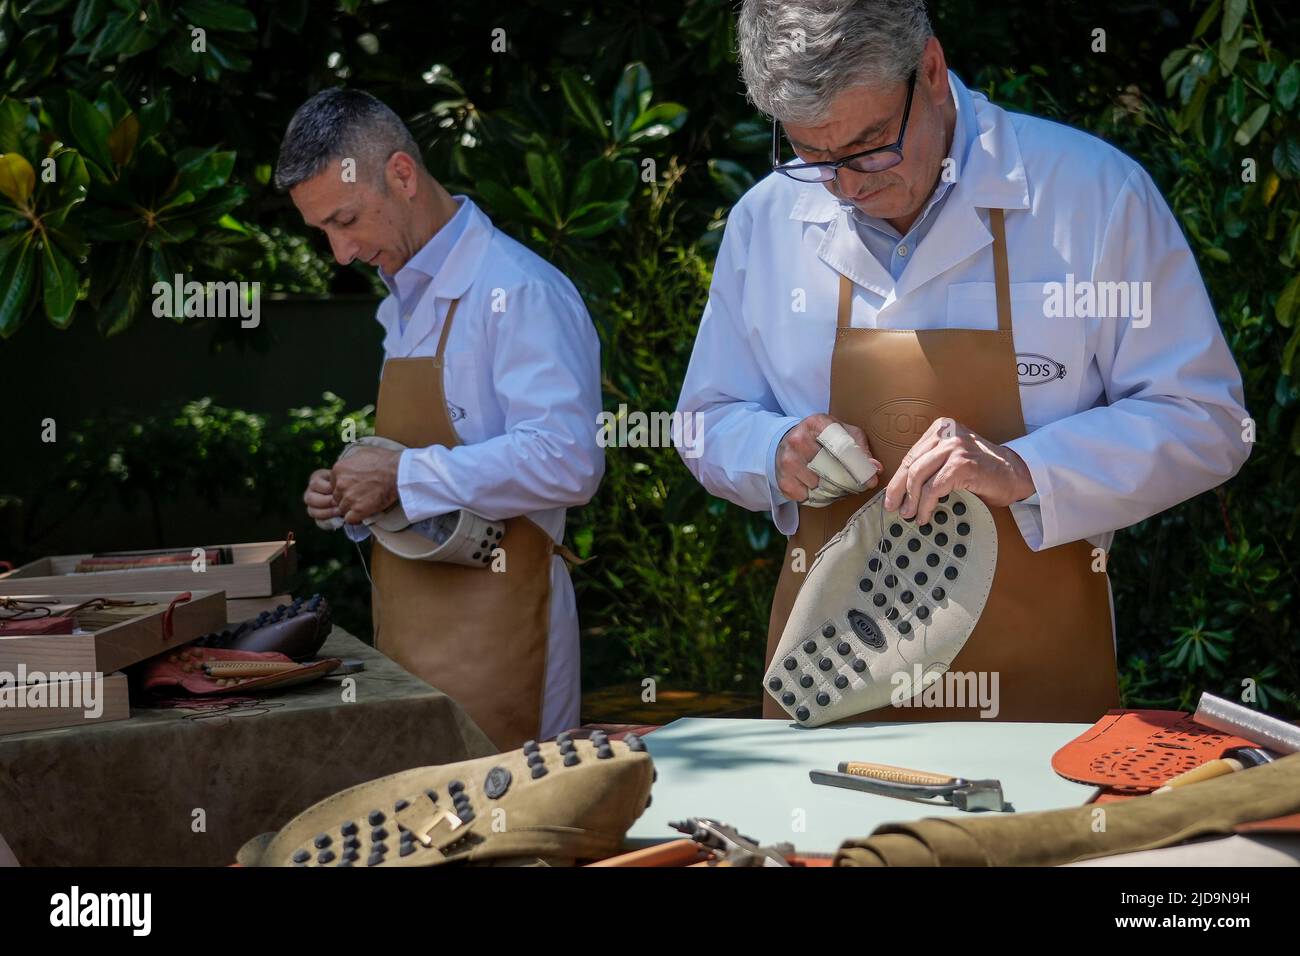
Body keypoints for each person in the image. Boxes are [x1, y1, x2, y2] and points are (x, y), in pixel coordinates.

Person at [676, 0, 1251, 722]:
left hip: (1038, 691)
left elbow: (1207, 419)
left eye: (870, 145)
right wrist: (772, 451)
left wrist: (1028, 470)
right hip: (828, 681)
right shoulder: (764, 220)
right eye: (815, 159)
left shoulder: (1093, 195)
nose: (849, 187)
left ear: (933, 70)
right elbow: (706, 420)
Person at [276, 89, 604, 747]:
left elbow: (568, 458)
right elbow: (419, 467)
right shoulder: (399, 304)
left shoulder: (519, 289)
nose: (340, 254)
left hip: (507, 629)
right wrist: (354, 491)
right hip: (407, 626)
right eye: (325, 233)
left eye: (346, 220)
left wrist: (399, 475)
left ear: (401, 174)